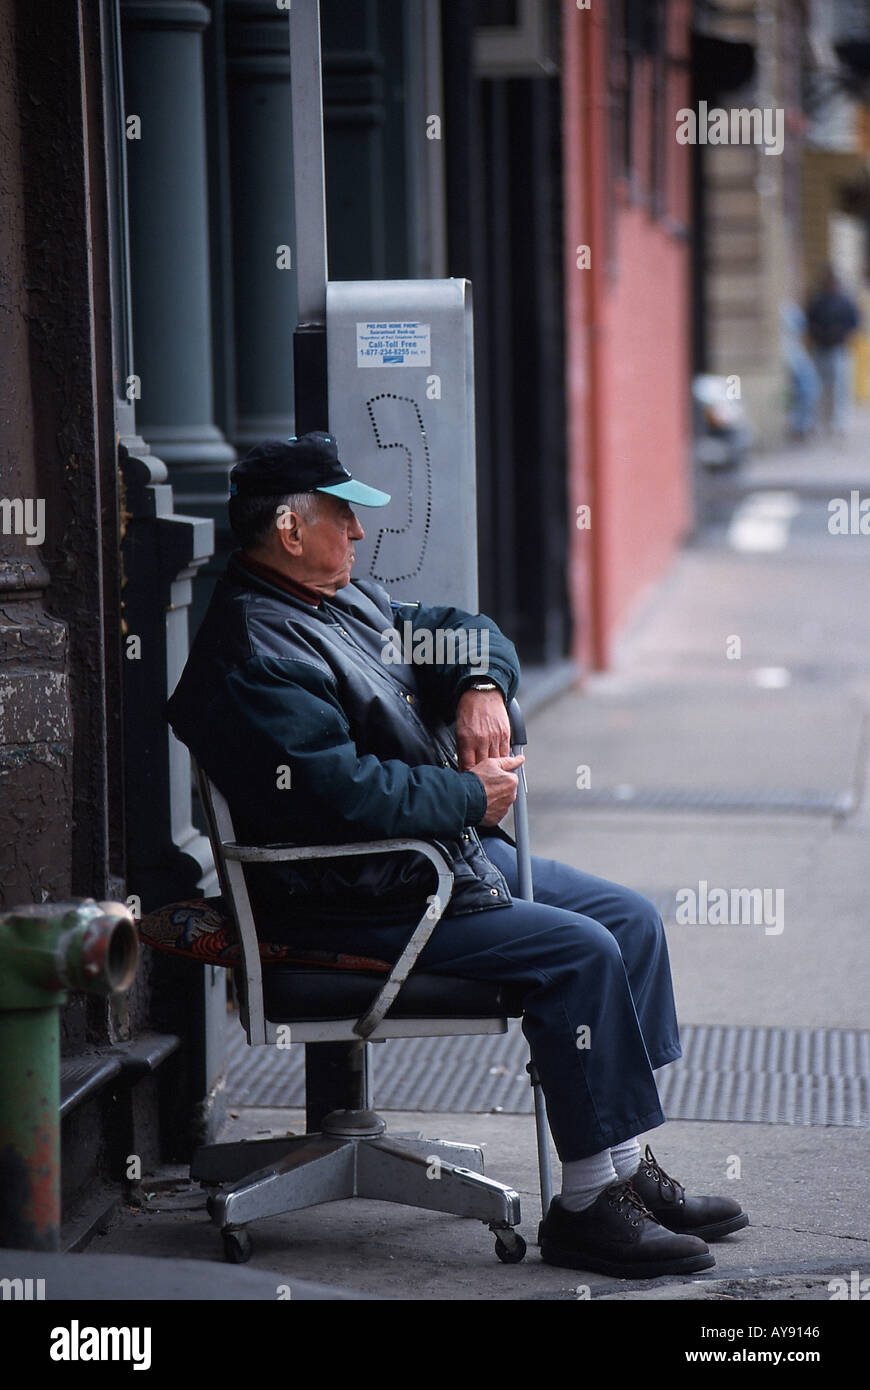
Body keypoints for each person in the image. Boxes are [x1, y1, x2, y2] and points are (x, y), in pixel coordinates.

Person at [167, 431, 748, 1279]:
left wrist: (479, 684)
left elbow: (453, 629)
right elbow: (341, 796)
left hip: (424, 868)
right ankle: (589, 1205)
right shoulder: (255, 650)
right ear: (290, 530)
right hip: (353, 897)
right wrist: (470, 799)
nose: (360, 534)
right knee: (580, 953)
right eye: (342, 516)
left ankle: (624, 1168)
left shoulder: (337, 600)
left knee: (630, 920)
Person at [805, 266, 861, 435]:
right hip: (820, 349)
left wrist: (843, 335)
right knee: (818, 388)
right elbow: (809, 323)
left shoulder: (844, 301)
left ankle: (838, 423)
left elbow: (855, 323)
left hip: (838, 350)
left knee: (839, 389)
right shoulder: (818, 301)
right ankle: (819, 422)